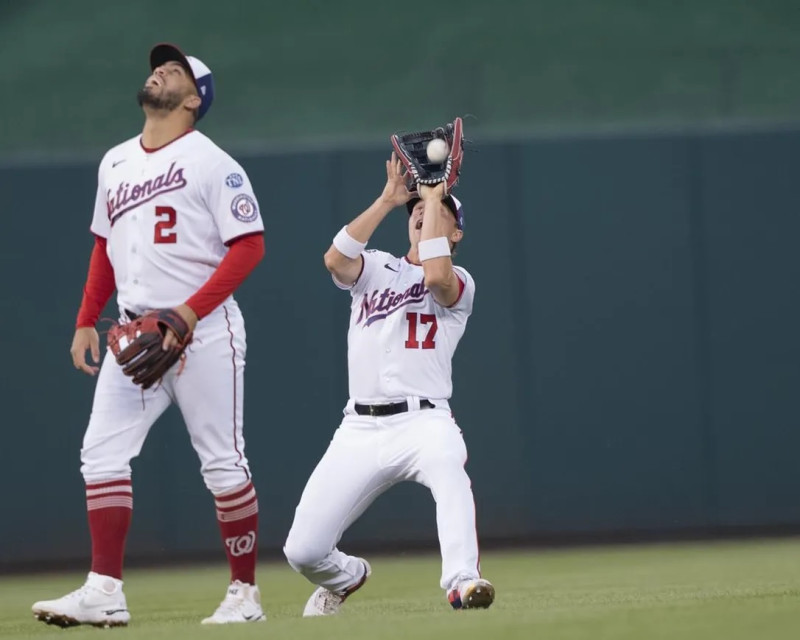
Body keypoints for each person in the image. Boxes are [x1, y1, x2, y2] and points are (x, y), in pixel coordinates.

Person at [32, 43, 267, 627]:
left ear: (193, 100)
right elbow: (103, 246)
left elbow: (249, 246)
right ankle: (104, 590)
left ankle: (245, 595)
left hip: (204, 331)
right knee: (101, 454)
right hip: (134, 331)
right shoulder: (114, 162)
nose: (160, 70)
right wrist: (85, 318)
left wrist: (189, 312)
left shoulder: (213, 162)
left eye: (176, 70)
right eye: (160, 65)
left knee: (222, 463)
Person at [283, 152, 495, 616]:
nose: (422, 210)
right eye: (415, 209)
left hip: (424, 421)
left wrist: (435, 197)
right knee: (302, 550)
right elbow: (335, 259)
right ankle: (347, 576)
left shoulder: (460, 281)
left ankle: (463, 581)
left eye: (439, 210)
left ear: (456, 233)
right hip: (359, 427)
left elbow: (435, 275)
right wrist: (386, 201)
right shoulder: (376, 267)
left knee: (448, 466)